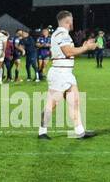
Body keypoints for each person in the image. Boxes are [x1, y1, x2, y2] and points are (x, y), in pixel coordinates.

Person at [39, 11, 94, 139]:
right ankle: (42, 131)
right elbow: (68, 52)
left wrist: (83, 46)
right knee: (52, 104)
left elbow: (70, 52)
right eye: (72, 20)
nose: (73, 23)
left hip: (67, 72)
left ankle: (80, 132)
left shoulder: (64, 35)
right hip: (60, 73)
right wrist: (86, 48)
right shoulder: (61, 34)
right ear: (68, 21)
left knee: (74, 101)